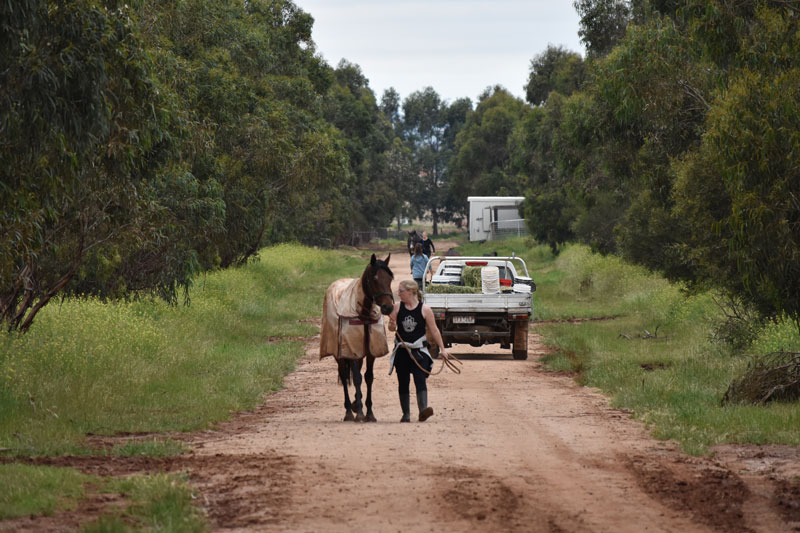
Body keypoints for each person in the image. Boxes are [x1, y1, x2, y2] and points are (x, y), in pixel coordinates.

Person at [387, 279, 451, 422]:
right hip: (402, 351)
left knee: (420, 379)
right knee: (403, 382)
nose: (398, 294)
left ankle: (423, 411)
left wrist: (443, 349)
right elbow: (391, 328)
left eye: (401, 291)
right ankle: (406, 414)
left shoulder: (425, 309)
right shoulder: (397, 307)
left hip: (419, 351)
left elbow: (434, 330)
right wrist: (391, 324)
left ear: (410, 292)